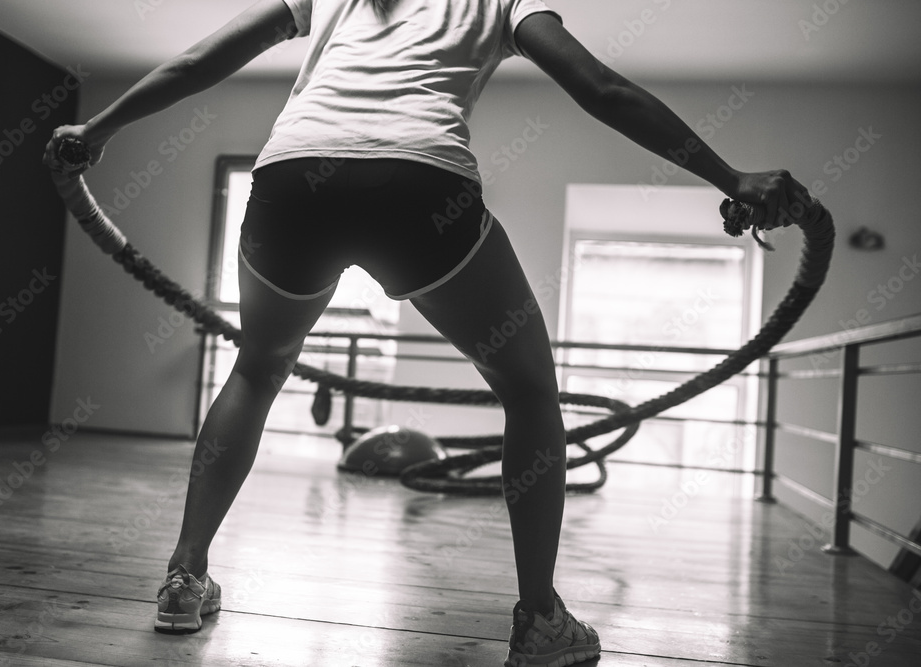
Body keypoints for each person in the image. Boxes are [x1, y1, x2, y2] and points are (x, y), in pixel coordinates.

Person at [44, 1, 809, 664]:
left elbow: (200, 57)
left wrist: (100, 127)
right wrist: (729, 176)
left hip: (290, 184)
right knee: (529, 390)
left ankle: (183, 576)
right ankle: (541, 620)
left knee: (257, 369)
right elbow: (601, 88)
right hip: (418, 184)